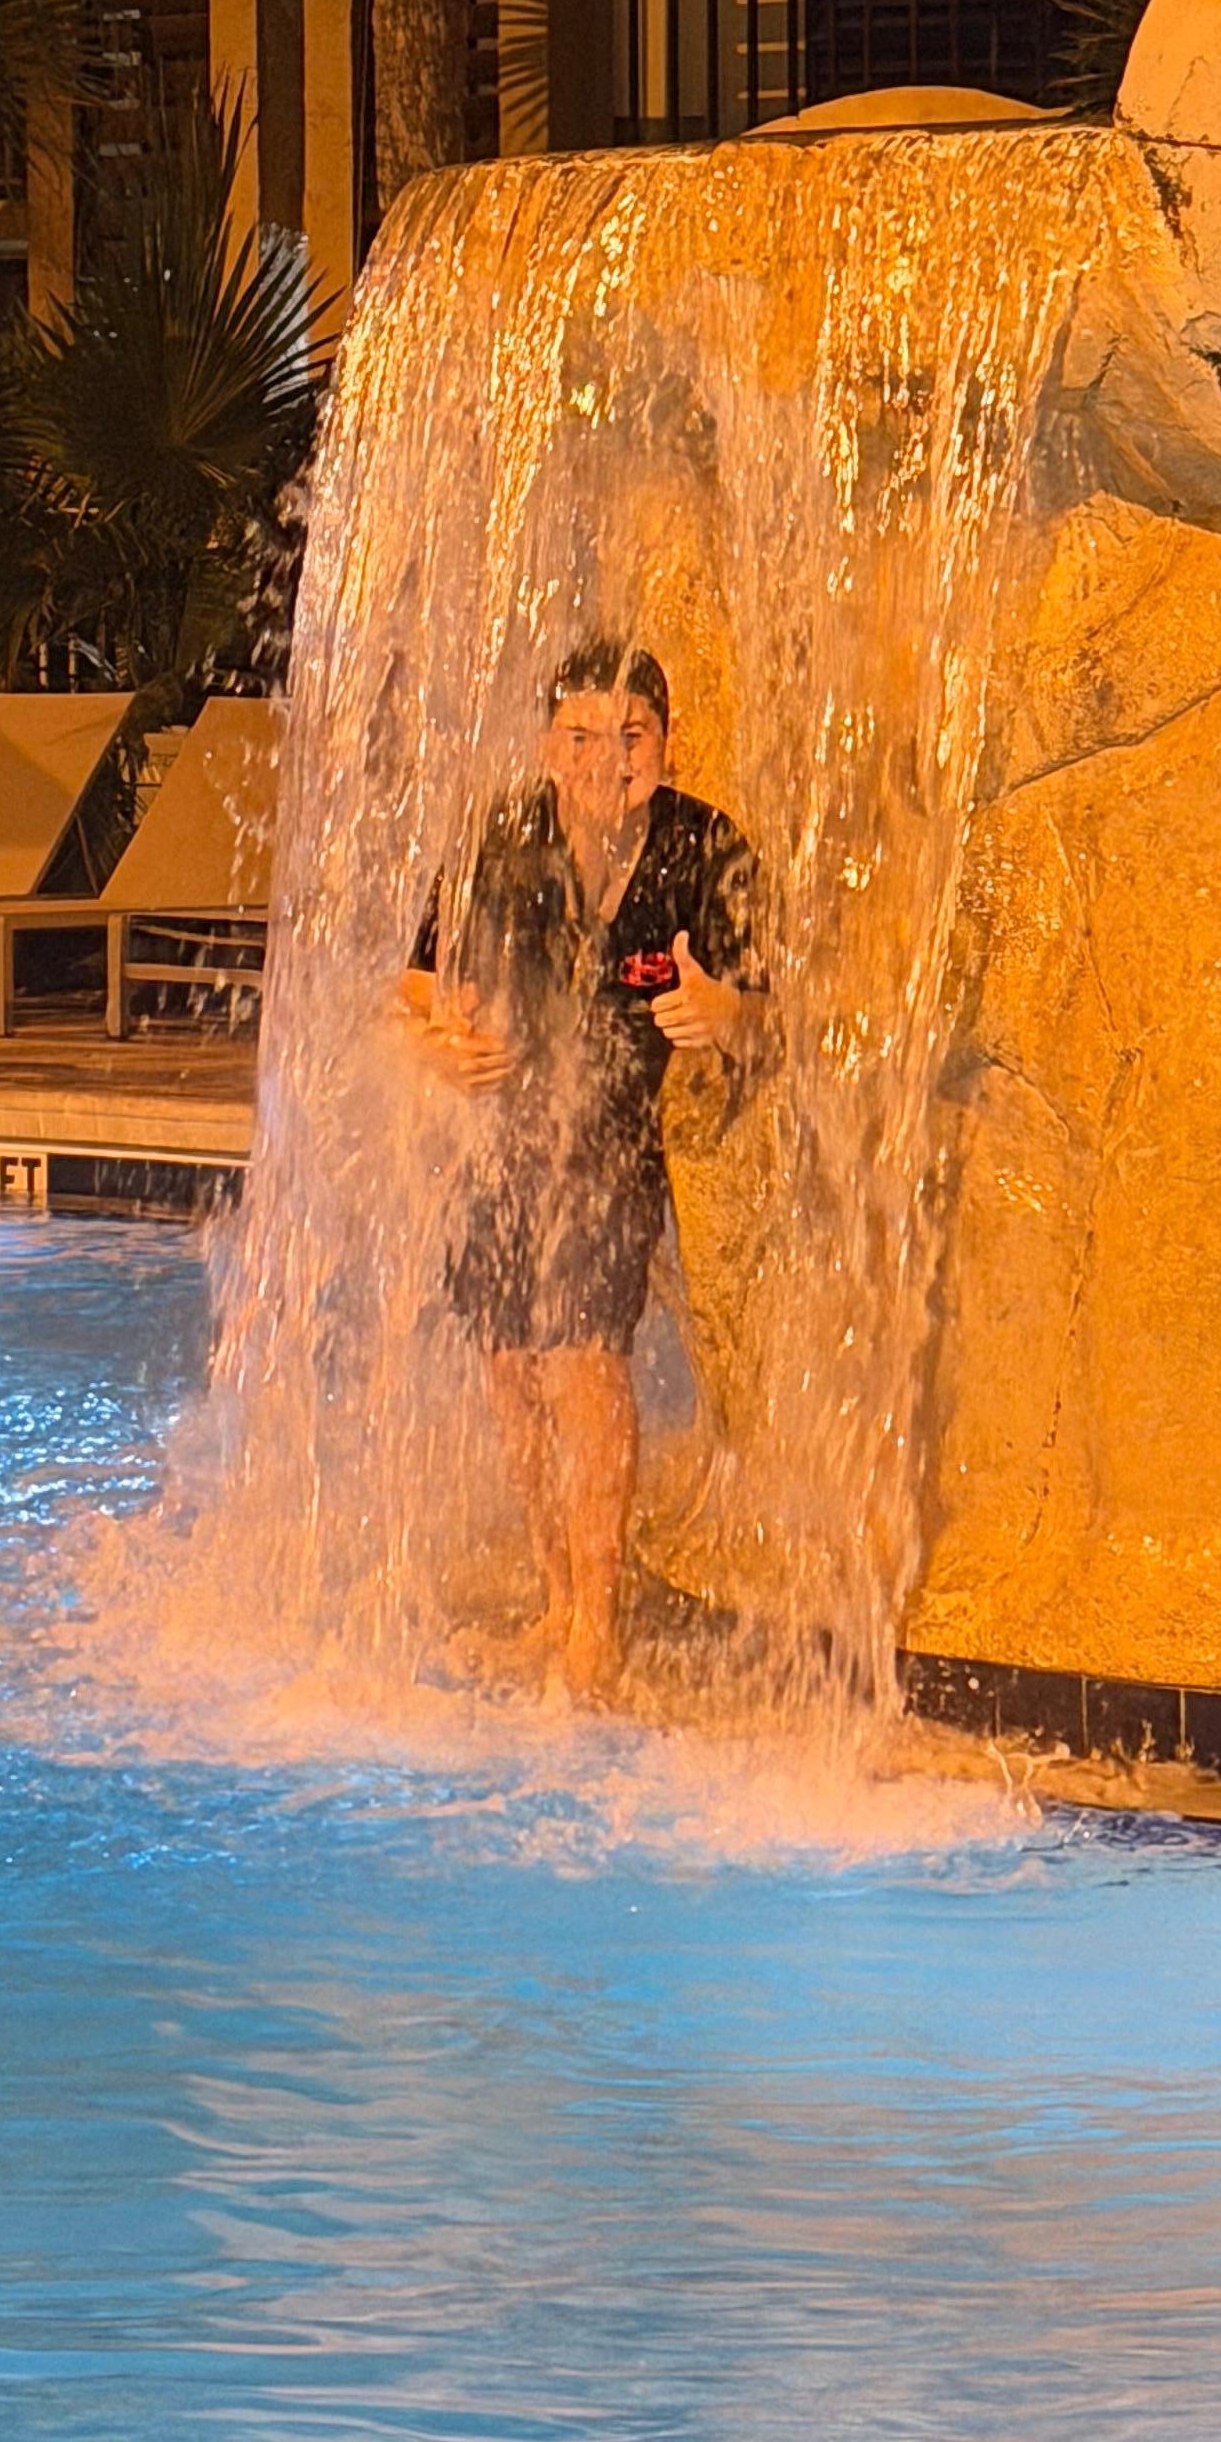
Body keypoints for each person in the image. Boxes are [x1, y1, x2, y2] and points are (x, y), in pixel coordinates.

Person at [396, 641, 759, 1704]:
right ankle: (557, 1599)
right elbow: (410, 989)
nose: (607, 760)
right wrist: (439, 1046)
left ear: (666, 741)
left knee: (582, 1357)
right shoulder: (502, 840)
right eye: (582, 737)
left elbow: (782, 1007)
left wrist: (727, 1014)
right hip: (506, 1128)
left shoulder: (701, 847)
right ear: (550, 747)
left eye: (631, 736)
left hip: (616, 1131)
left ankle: (599, 1625)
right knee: (511, 1363)